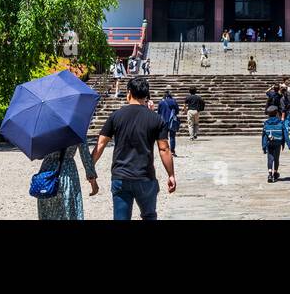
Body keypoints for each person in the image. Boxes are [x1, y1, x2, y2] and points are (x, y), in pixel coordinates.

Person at [93, 77, 175, 220]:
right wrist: (171, 175)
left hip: (121, 177)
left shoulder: (116, 116)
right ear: (146, 95)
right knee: (149, 216)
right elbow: (164, 149)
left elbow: (100, 144)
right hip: (145, 177)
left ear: (129, 93)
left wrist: (90, 168)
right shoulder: (156, 119)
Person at [36, 135, 99, 221]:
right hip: (68, 171)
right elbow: (85, 156)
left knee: (47, 212)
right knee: (69, 211)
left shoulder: (45, 129)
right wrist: (92, 179)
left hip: (47, 174)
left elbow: (39, 155)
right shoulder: (77, 129)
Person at [261, 106, 290, 183]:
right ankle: (275, 173)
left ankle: (270, 174)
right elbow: (285, 134)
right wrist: (289, 144)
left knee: (270, 158)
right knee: (276, 158)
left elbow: (264, 136)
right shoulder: (280, 123)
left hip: (269, 142)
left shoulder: (266, 123)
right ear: (277, 113)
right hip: (278, 142)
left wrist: (264, 146)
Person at [156, 89, 181, 156]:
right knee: (172, 137)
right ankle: (172, 151)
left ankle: (165, 150)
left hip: (163, 121)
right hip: (172, 121)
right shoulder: (173, 101)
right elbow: (177, 111)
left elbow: (159, 112)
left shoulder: (161, 102)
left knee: (164, 137)